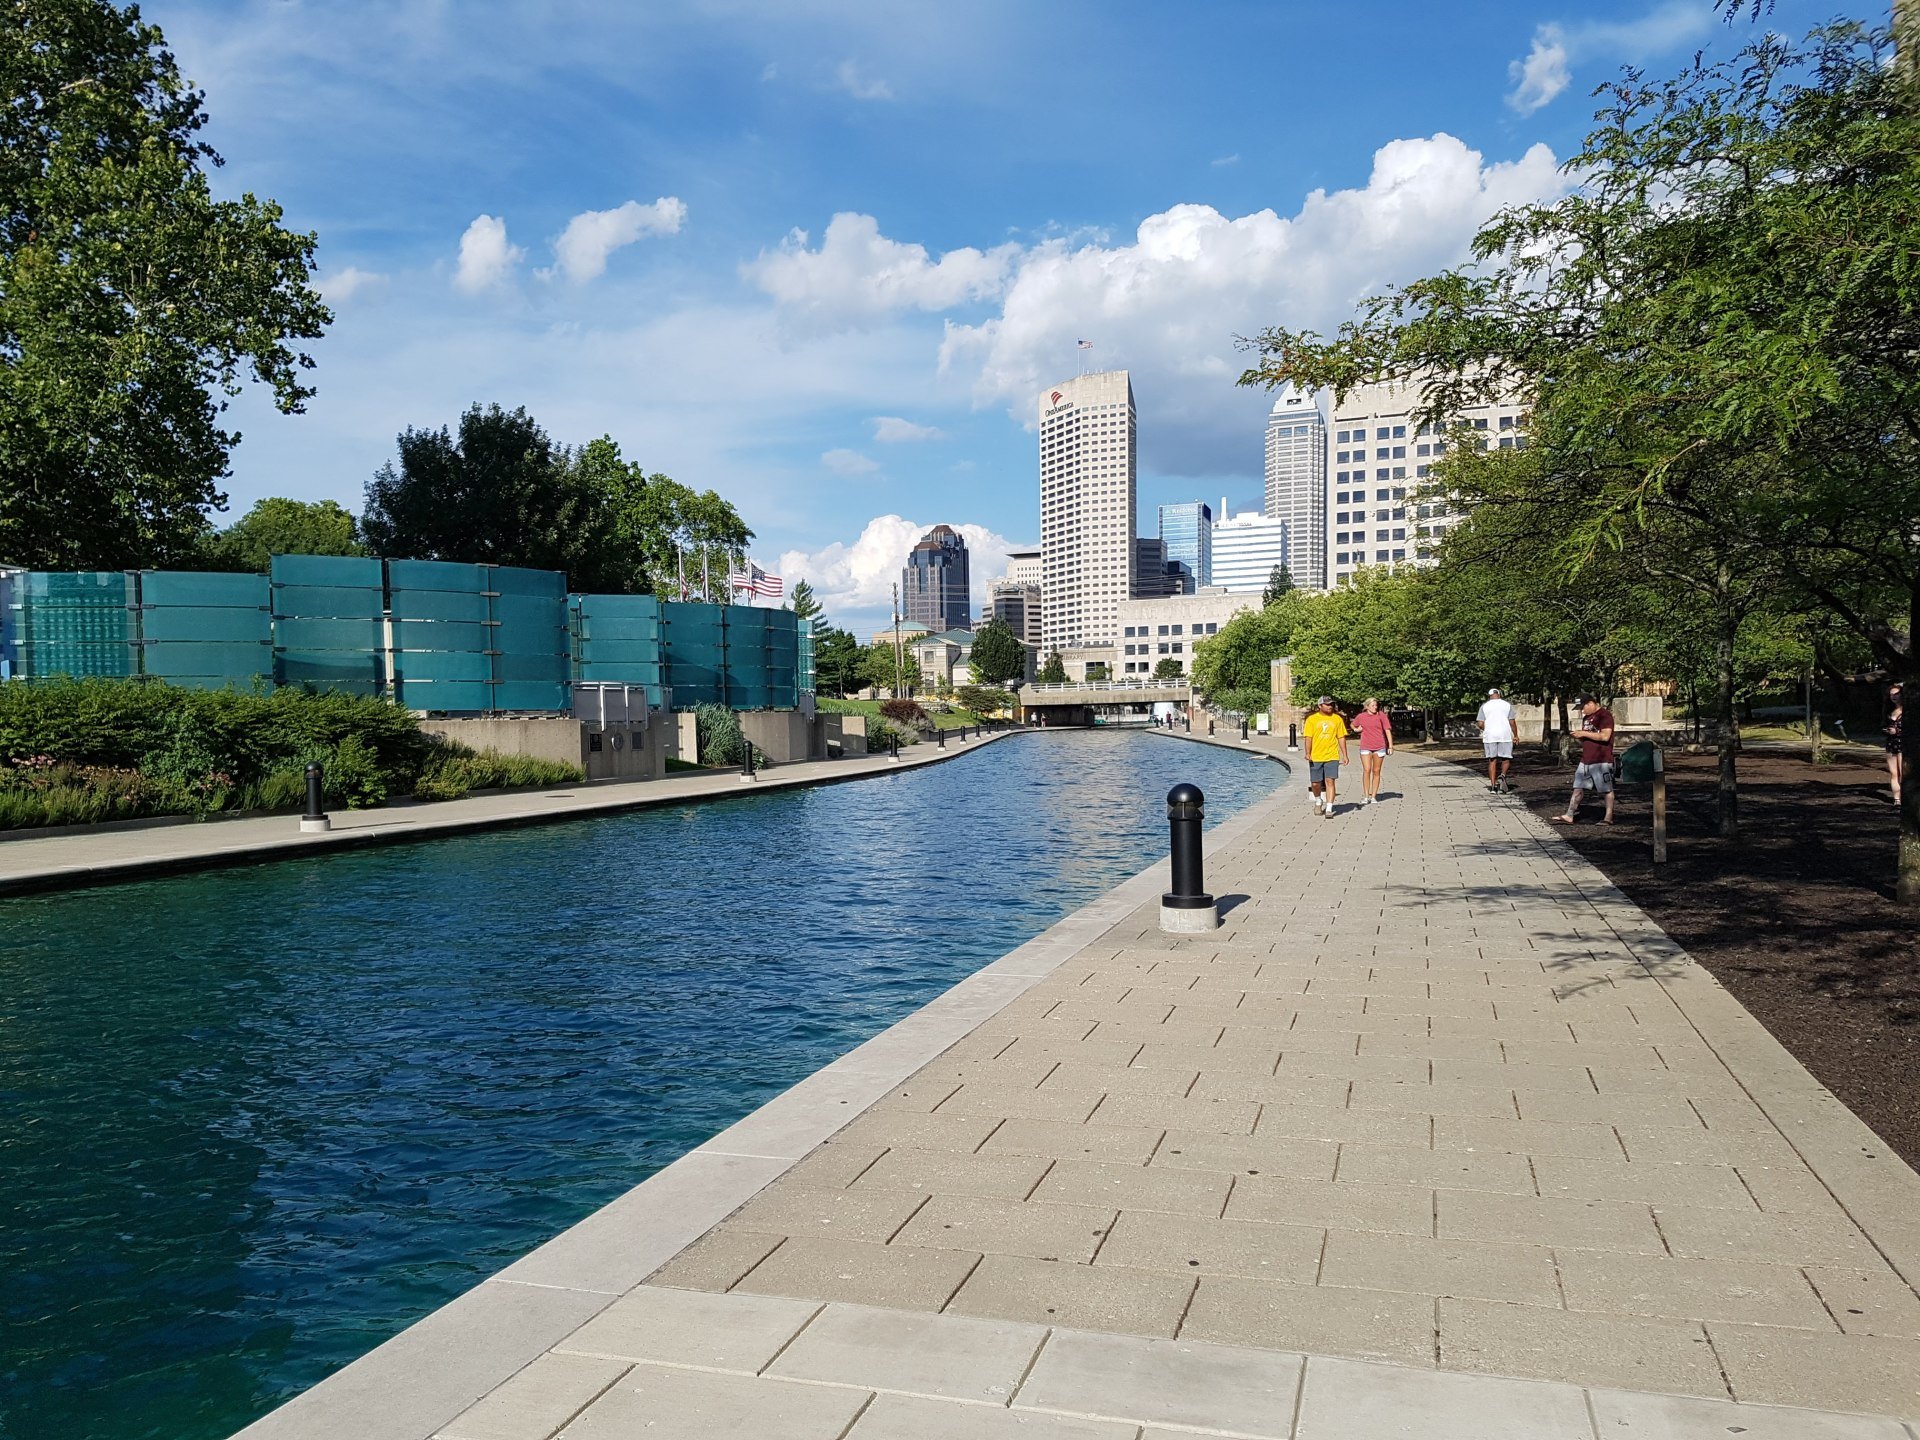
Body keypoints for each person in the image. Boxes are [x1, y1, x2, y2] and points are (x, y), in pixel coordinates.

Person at [1554, 695, 1617, 825]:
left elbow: (1605, 736)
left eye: (1583, 708)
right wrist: (1580, 736)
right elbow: (1590, 736)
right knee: (1578, 787)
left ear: (1591, 703)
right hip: (1586, 759)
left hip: (1601, 759)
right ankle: (1569, 814)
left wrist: (1583, 733)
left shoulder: (1604, 716)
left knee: (1606, 789)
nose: (1582, 711)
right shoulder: (1586, 718)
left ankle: (1608, 817)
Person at [1301, 695, 1350, 818]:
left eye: (1331, 704)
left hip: (1332, 755)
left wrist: (1345, 755)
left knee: (1330, 780)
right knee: (1315, 783)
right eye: (1327, 704)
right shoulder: (1312, 719)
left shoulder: (1337, 719)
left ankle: (1329, 808)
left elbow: (1341, 737)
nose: (1330, 707)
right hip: (1316, 756)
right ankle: (1318, 801)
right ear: (1320, 706)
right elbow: (1308, 737)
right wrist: (1307, 752)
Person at [1352, 697, 1393, 805]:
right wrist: (1356, 729)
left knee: (1376, 771)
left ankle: (1373, 796)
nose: (1375, 707)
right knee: (1367, 770)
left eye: (1376, 705)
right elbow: (1353, 724)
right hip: (1365, 746)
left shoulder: (1381, 715)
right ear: (1367, 706)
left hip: (1379, 746)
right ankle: (1366, 796)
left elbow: (1387, 730)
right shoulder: (1361, 716)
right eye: (1373, 705)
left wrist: (1390, 746)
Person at [1476, 687, 1516, 792]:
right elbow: (1512, 722)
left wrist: (1487, 728)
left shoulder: (1484, 706)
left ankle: (1493, 787)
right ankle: (1503, 775)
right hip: (1505, 735)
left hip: (1490, 736)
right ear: (1499, 694)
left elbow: (1480, 723)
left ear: (1489, 696)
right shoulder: (1507, 705)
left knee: (1492, 760)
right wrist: (1516, 735)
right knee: (1506, 758)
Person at [1888, 685, 1903, 804]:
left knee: (1903, 772)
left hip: (1904, 743)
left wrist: (1897, 731)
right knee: (1894, 773)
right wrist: (1886, 730)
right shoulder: (1888, 710)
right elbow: (1882, 725)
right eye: (1891, 694)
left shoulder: (1908, 711)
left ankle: (1907, 797)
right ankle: (1896, 799)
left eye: (1896, 694)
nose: (1893, 696)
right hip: (1891, 743)